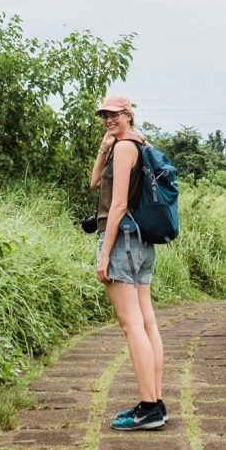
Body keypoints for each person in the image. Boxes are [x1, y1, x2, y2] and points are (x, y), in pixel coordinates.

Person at [89, 94, 167, 430]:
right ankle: (155, 403)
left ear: (128, 114)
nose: (108, 120)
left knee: (131, 324)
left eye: (114, 114)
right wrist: (103, 147)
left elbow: (118, 205)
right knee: (146, 322)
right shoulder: (135, 144)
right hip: (142, 242)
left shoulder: (124, 148)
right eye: (104, 115)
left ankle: (149, 408)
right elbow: (94, 182)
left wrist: (105, 253)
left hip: (123, 241)